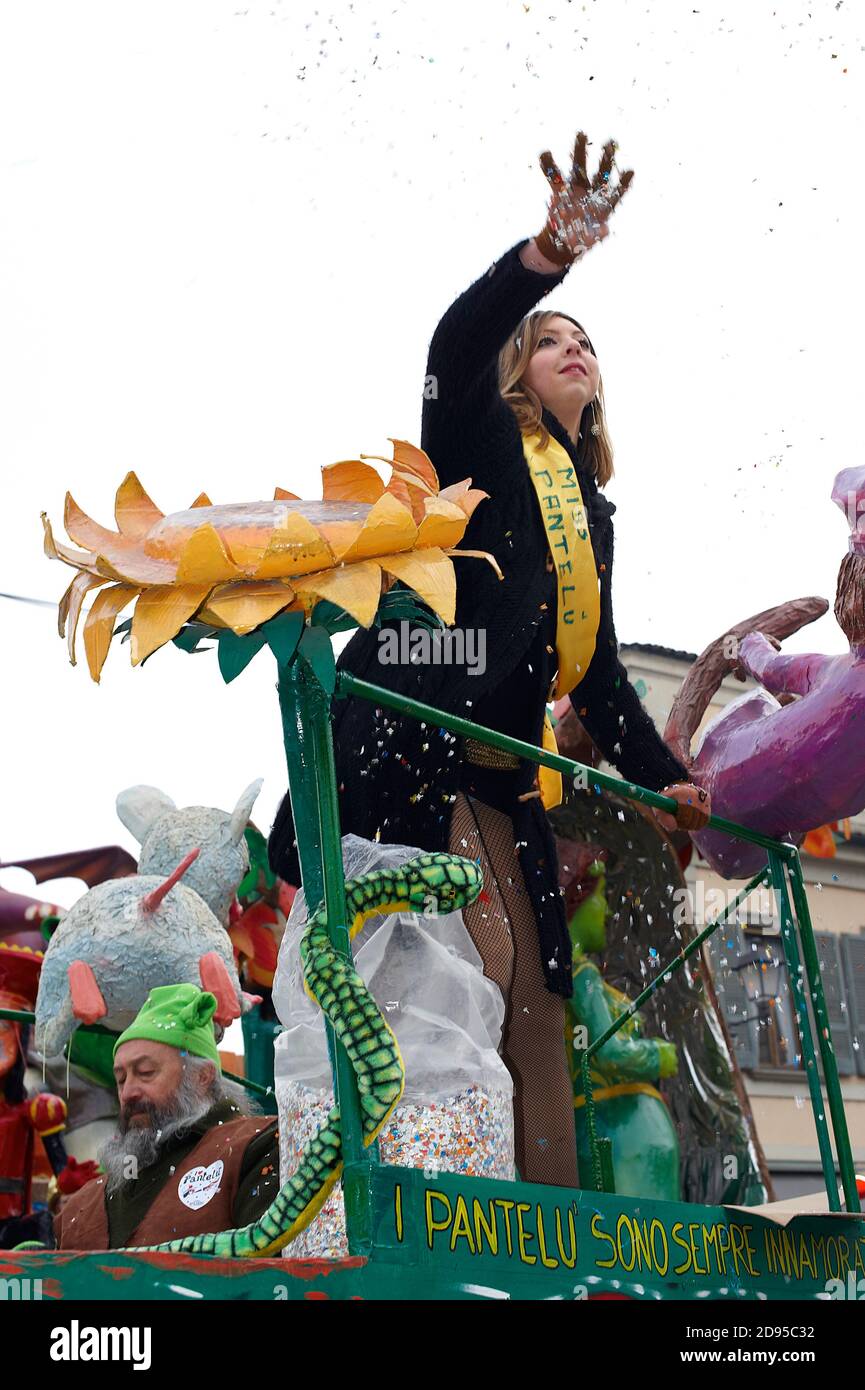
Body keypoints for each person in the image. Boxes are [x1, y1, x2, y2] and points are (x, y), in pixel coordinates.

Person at [270, 130, 710, 1188]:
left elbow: (594, 670)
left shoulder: (591, 517)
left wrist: (664, 780)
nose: (571, 345)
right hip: (410, 757)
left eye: (585, 340)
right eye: (549, 335)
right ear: (520, 366)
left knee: (541, 999)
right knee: (478, 974)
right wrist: (543, 259)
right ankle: (442, 1214)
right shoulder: (474, 443)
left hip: (505, 778)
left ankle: (545, 1239)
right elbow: (452, 344)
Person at [53, 985, 280, 1250]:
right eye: (121, 1079)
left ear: (201, 1076)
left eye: (146, 1072)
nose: (128, 1092)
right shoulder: (81, 1206)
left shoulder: (256, 1148)